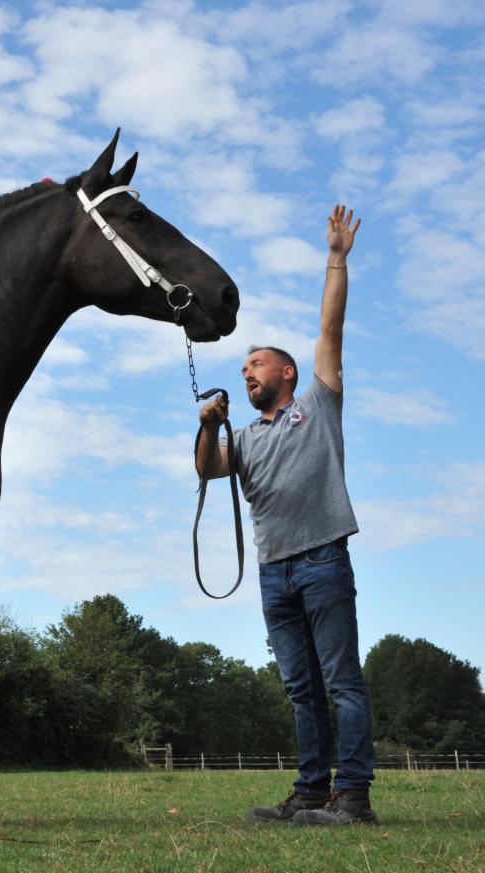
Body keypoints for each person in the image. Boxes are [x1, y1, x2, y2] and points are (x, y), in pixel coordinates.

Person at [196, 205, 378, 826]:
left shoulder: (318, 404)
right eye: (244, 368)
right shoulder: (242, 439)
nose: (248, 372)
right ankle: (309, 792)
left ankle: (352, 799)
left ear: (288, 371)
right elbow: (207, 470)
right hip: (274, 573)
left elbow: (331, 329)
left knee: (342, 682)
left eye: (258, 364)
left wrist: (337, 256)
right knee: (301, 689)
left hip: (323, 558)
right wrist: (207, 428)